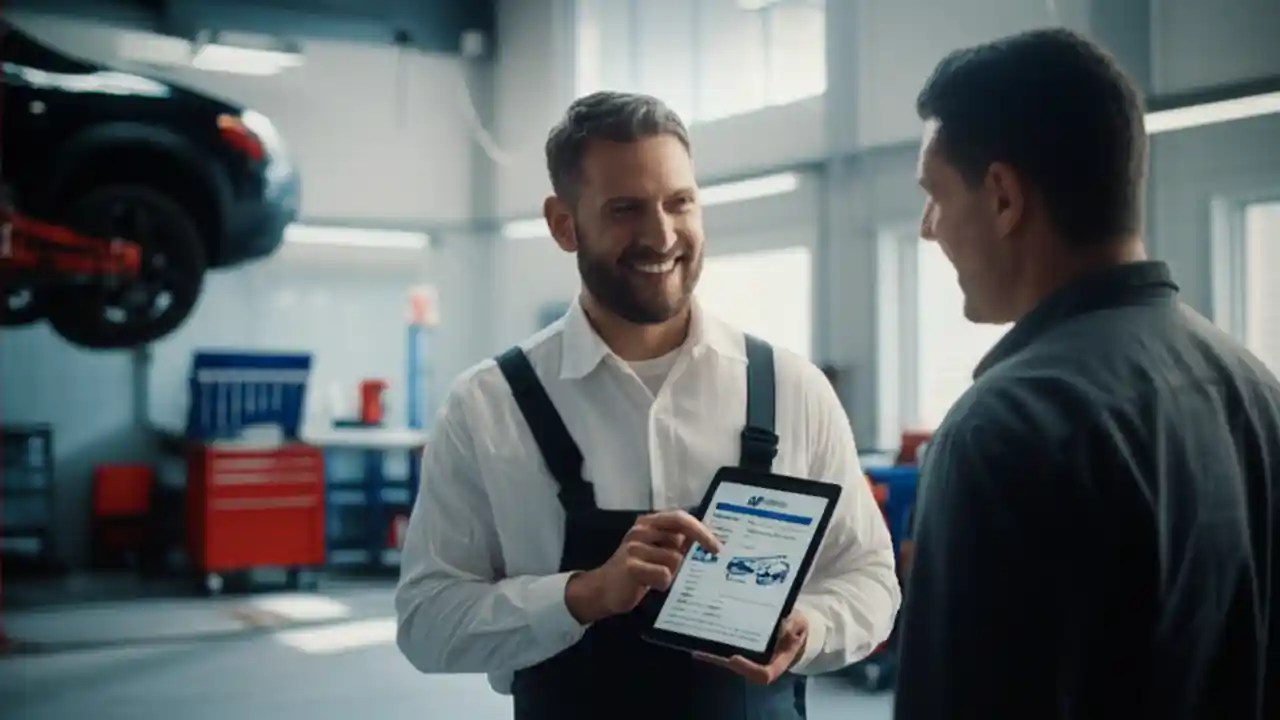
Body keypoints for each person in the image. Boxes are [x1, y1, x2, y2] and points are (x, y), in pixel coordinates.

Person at [395, 91, 900, 719]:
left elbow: (870, 578)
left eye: (679, 202)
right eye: (626, 209)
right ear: (563, 223)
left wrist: (810, 627)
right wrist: (582, 596)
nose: (661, 235)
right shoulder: (487, 407)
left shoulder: (793, 390)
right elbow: (425, 620)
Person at [894, 28, 1279, 720]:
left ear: (1004, 196)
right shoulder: (1253, 389)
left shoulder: (1003, 429)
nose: (929, 227)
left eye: (936, 195)